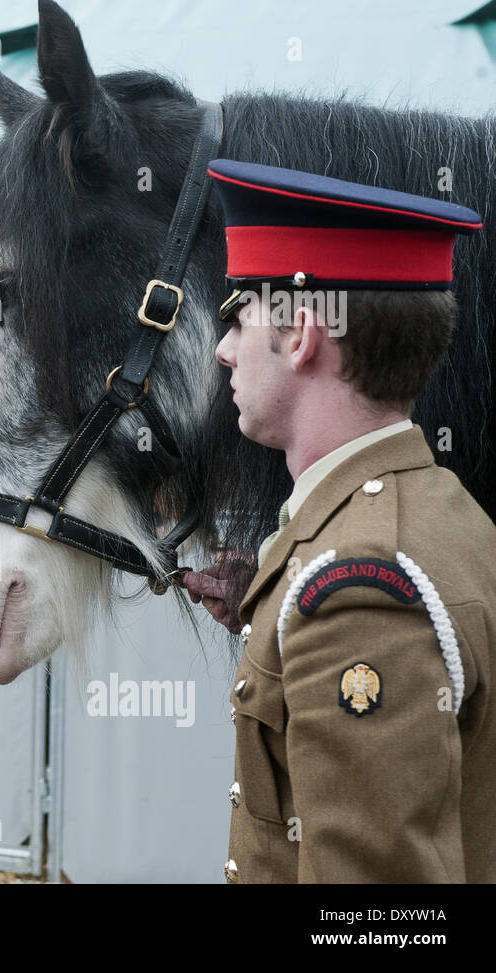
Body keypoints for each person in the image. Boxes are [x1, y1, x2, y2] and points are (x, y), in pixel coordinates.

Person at [188, 159, 496, 883]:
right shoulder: (443, 509)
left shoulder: (360, 587)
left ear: (301, 335)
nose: (223, 347)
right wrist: (268, 598)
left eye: (239, 314)